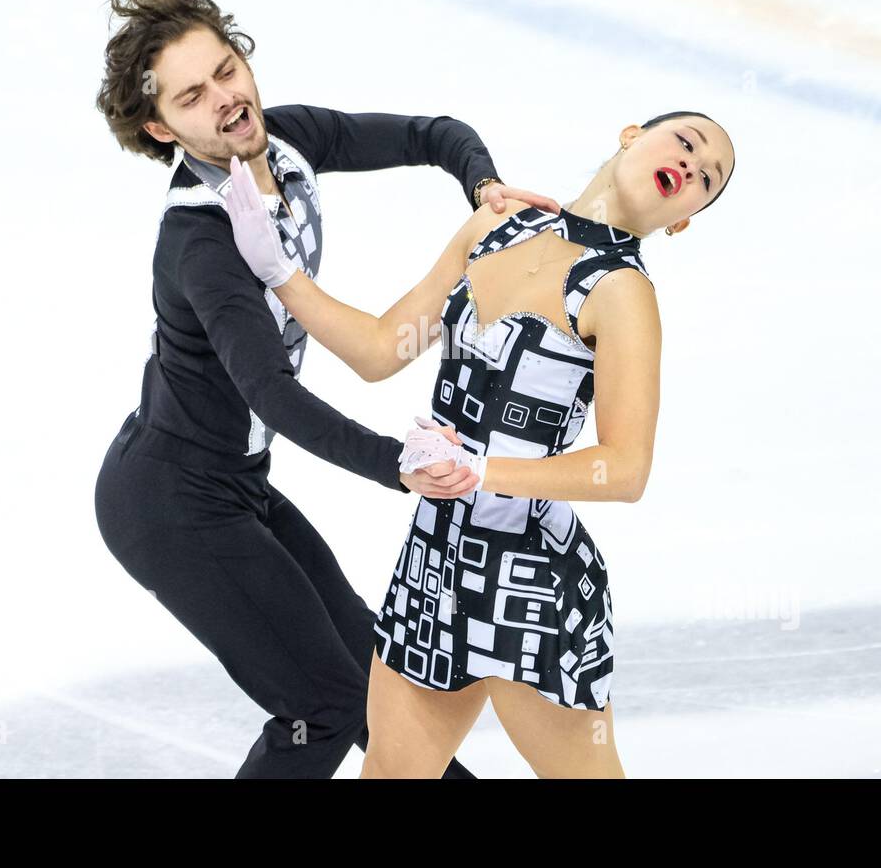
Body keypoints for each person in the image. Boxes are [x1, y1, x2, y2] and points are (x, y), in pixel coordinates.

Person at [91, 0, 559, 779]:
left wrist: (481, 183)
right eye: (194, 96)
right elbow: (272, 395)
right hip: (170, 506)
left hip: (236, 487)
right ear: (160, 126)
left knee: (382, 686)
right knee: (324, 710)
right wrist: (397, 464)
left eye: (228, 69)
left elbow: (432, 133)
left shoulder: (287, 141)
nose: (228, 100)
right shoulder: (202, 246)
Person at [224, 110, 735, 777]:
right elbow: (384, 348)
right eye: (687, 143)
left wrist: (479, 467)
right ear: (632, 135)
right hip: (432, 565)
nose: (692, 166)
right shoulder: (495, 225)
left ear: (684, 219)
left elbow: (626, 468)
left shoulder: (622, 292)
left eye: (707, 179)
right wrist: (280, 273)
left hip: (531, 586)